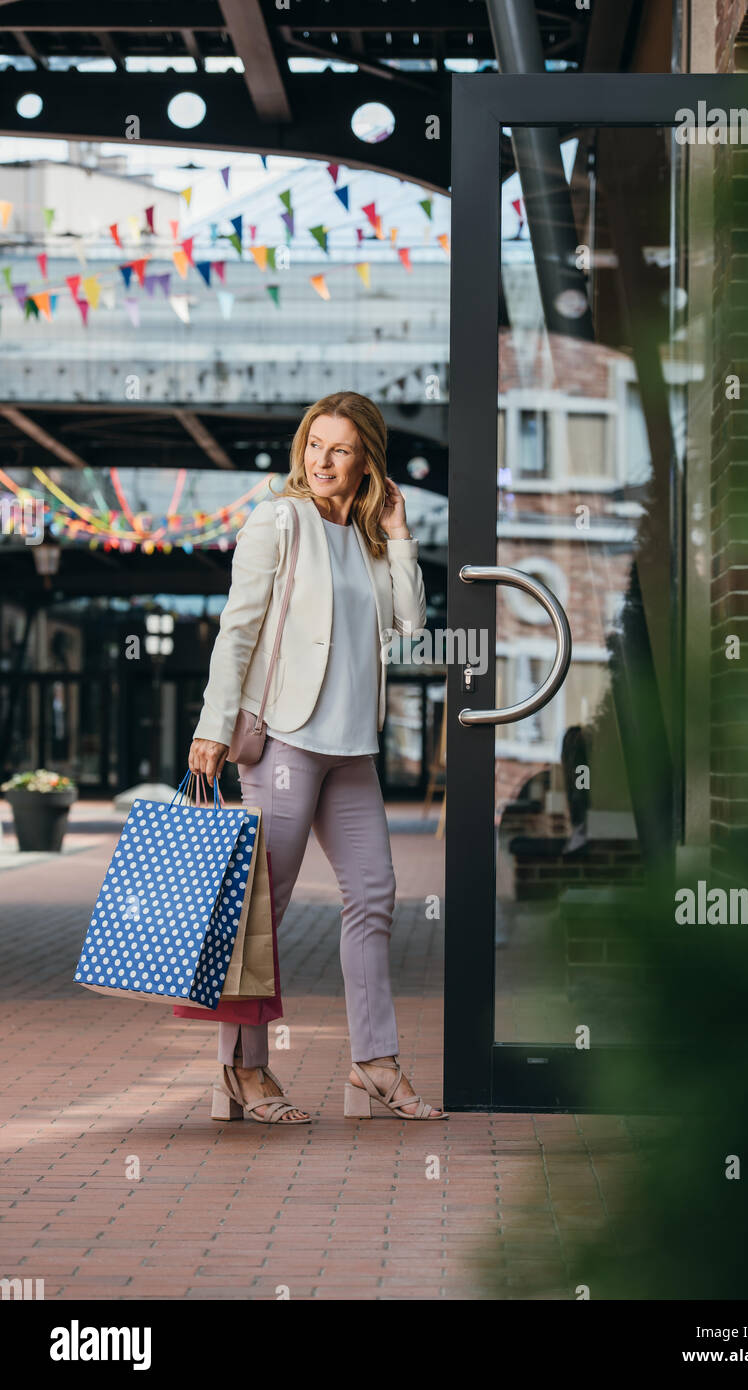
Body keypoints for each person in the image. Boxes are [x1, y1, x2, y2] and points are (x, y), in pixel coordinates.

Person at [182, 392, 446, 1123]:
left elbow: (410, 626)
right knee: (259, 910)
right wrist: (213, 726)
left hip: (351, 749)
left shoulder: (367, 538)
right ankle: (241, 1070)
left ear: (367, 463)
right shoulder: (278, 520)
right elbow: (237, 631)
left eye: (340, 450)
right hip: (287, 743)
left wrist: (399, 533)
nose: (322, 461)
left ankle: (373, 1064)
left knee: (374, 895)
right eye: (314, 445)